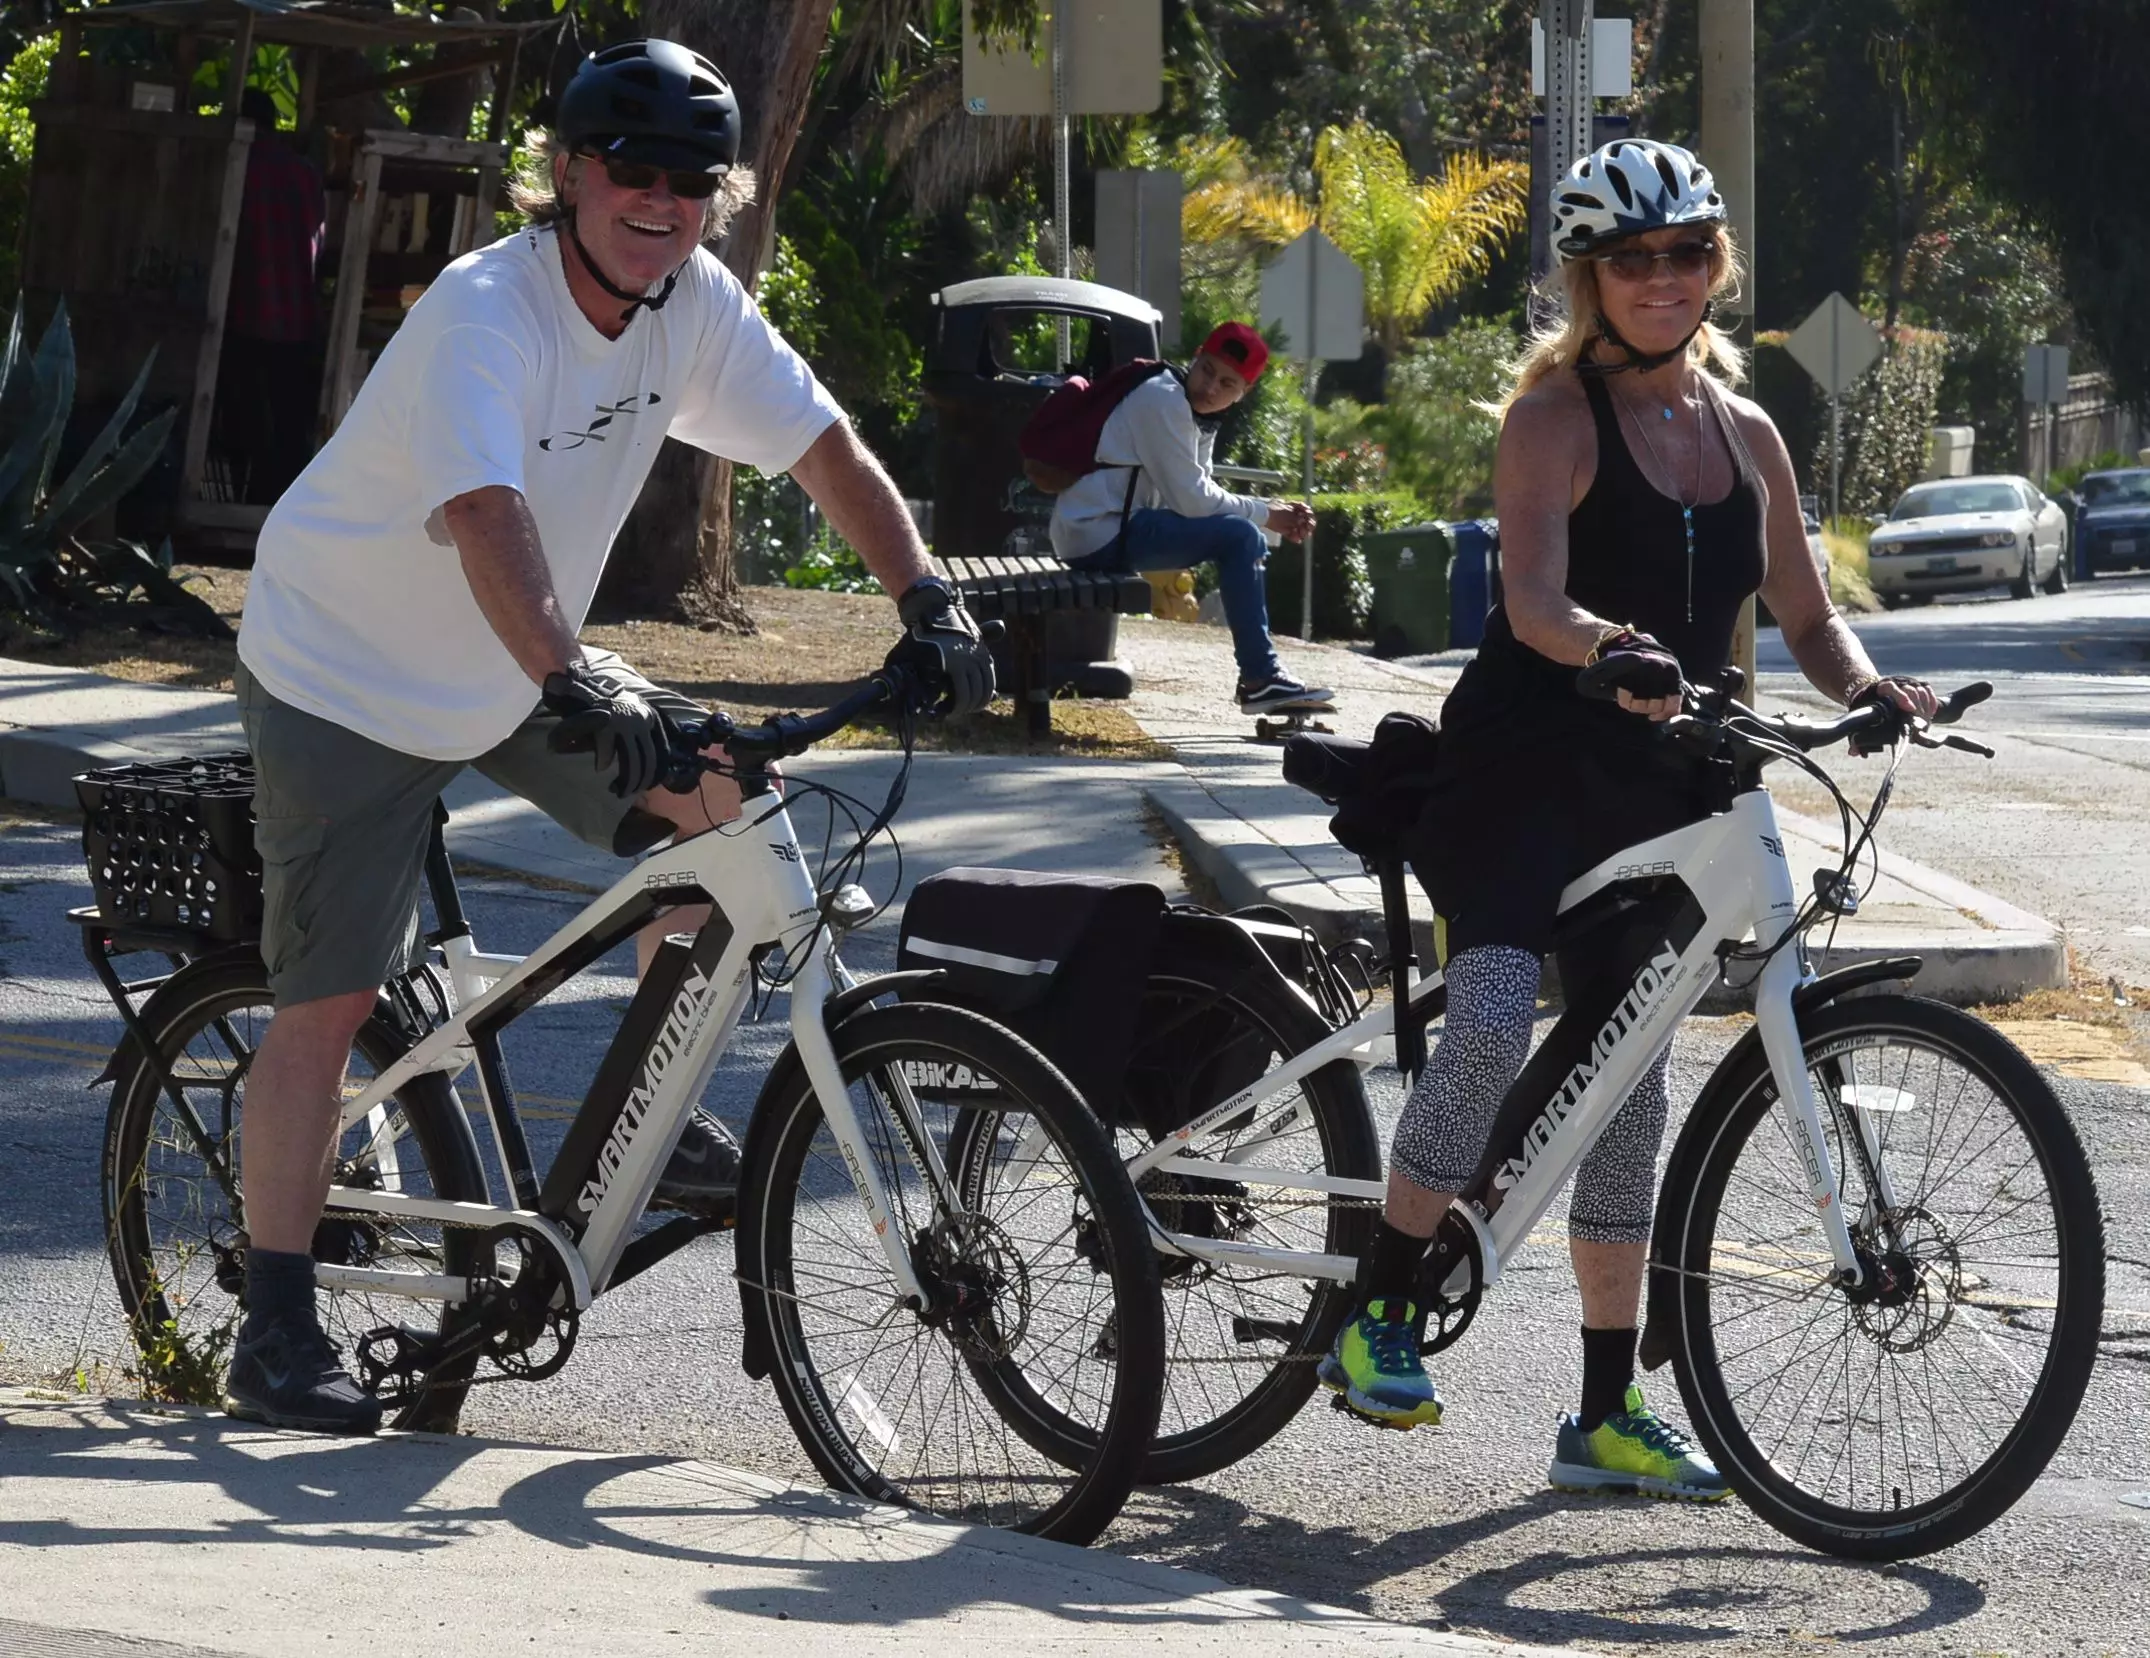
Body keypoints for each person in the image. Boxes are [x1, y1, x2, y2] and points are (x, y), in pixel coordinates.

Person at [226, 39, 993, 1436]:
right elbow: (484, 515)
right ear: (568, 175)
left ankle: (663, 1107)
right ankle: (272, 1321)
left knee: (722, 800)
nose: (658, 199)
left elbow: (822, 443)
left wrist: (925, 598)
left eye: (688, 179)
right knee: (326, 1003)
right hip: (349, 670)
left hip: (517, 659)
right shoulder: (486, 311)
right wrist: (578, 673)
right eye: (628, 170)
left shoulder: (689, 303)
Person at [1317, 139, 1938, 1501]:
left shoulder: (1745, 430)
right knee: (1484, 1019)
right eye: (1630, 258)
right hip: (1526, 771)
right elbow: (1531, 598)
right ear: (1588, 277)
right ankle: (1375, 1307)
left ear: (1716, 263)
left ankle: (1602, 1413)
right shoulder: (1548, 420)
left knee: (1629, 1084)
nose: (1662, 277)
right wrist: (1607, 647)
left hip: (1675, 777)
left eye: (1686, 252)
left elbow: (1802, 610)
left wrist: (1866, 686)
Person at [1048, 322, 1331, 714]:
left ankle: (1260, 677)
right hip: (1098, 533)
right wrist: (1268, 514)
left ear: (1242, 394)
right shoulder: (1163, 399)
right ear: (1196, 357)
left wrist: (1268, 512)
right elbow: (1194, 501)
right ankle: (1260, 677)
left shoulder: (1195, 415)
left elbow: (1196, 496)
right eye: (1207, 371)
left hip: (1106, 528)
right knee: (1240, 537)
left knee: (1241, 534)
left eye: (1227, 384)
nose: (1211, 388)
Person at [217, 88, 325, 503]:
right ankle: (282, 503)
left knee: (245, 418)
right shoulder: (304, 172)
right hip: (296, 314)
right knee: (287, 421)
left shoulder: (238, 165)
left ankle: (246, 498)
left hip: (244, 310)